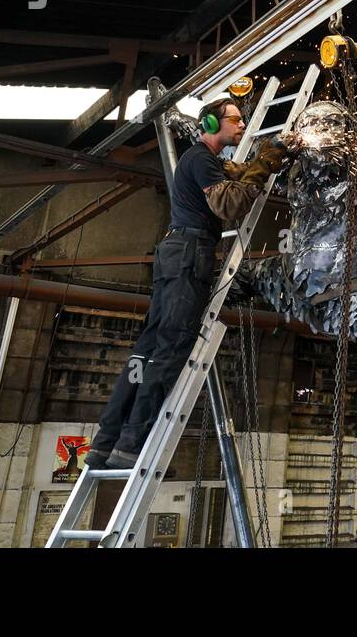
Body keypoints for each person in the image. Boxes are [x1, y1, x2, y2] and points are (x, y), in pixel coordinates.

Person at [86, 98, 286, 470]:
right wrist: (267, 164)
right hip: (190, 252)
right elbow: (230, 204)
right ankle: (133, 442)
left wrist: (267, 159)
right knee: (173, 346)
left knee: (145, 350)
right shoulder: (199, 159)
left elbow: (238, 172)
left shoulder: (206, 161)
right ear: (212, 123)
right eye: (236, 120)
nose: (242, 126)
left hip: (174, 252)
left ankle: (105, 441)